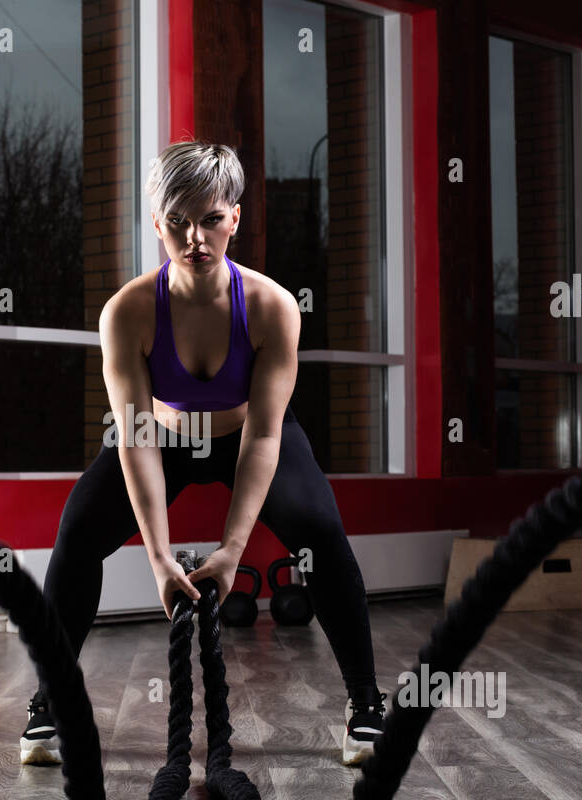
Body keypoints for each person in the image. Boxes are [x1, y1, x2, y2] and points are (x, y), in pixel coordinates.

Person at [20, 140, 385, 767]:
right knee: (78, 532)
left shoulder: (271, 307)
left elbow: (265, 437)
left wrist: (231, 552)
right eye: (179, 221)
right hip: (165, 434)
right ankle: (50, 699)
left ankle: (366, 705)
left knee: (321, 533)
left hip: (252, 431)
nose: (196, 237)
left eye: (212, 218)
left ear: (234, 218)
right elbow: (135, 435)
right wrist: (160, 559)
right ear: (157, 223)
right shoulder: (127, 313)